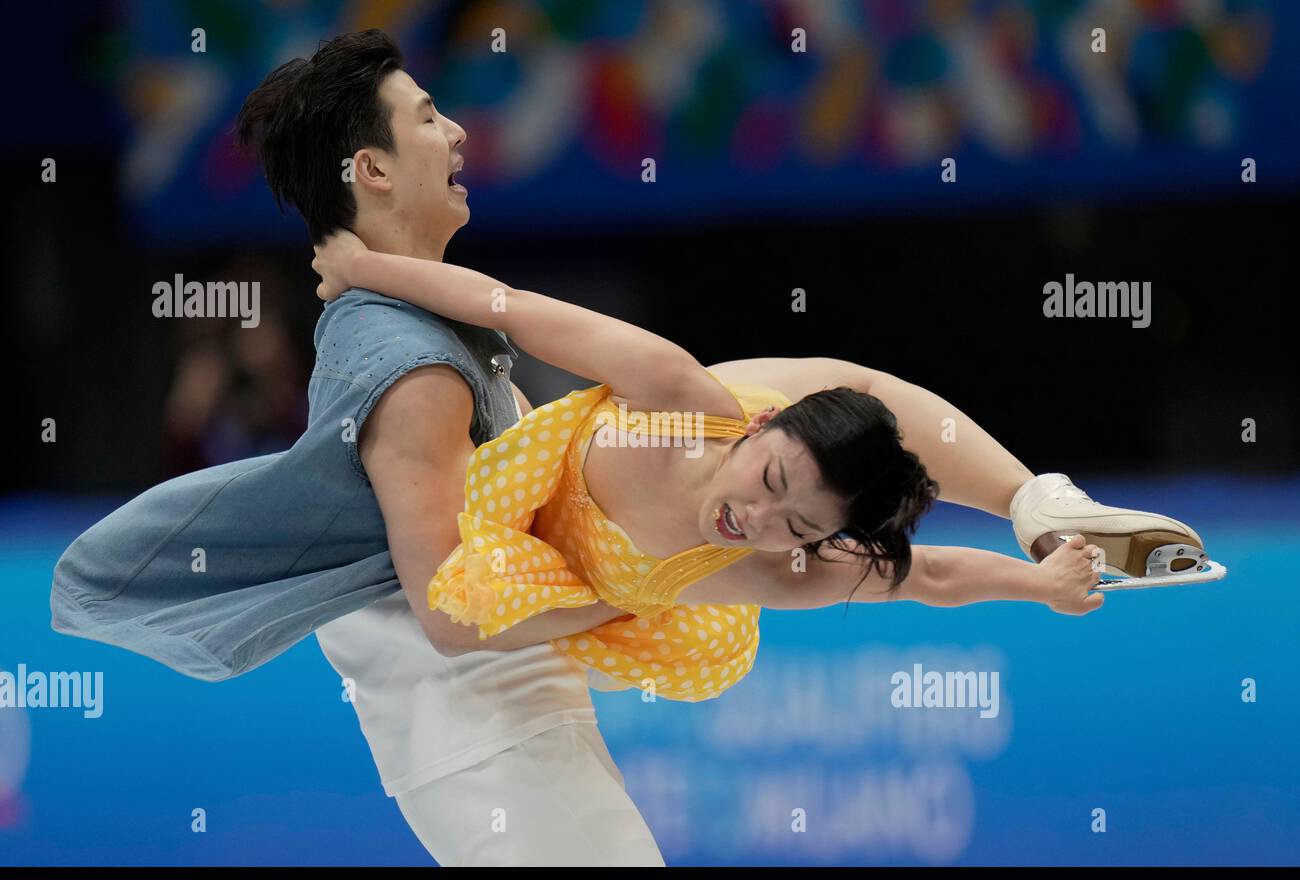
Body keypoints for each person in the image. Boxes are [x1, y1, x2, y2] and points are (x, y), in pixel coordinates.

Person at [50, 29, 664, 865]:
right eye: (427, 117)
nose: (458, 134)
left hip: (513, 737)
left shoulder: (433, 331)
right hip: (494, 750)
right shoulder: (409, 364)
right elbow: (453, 612)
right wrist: (639, 583)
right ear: (371, 170)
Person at [308, 229, 1213, 700]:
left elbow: (924, 573)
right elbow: (511, 306)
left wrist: (1043, 587)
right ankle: (1034, 491)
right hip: (537, 450)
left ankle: (1034, 509)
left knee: (466, 621)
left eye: (801, 527)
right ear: (762, 430)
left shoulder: (770, 568)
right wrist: (368, 267)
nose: (761, 520)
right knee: (862, 393)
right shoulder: (678, 399)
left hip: (570, 586)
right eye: (773, 483)